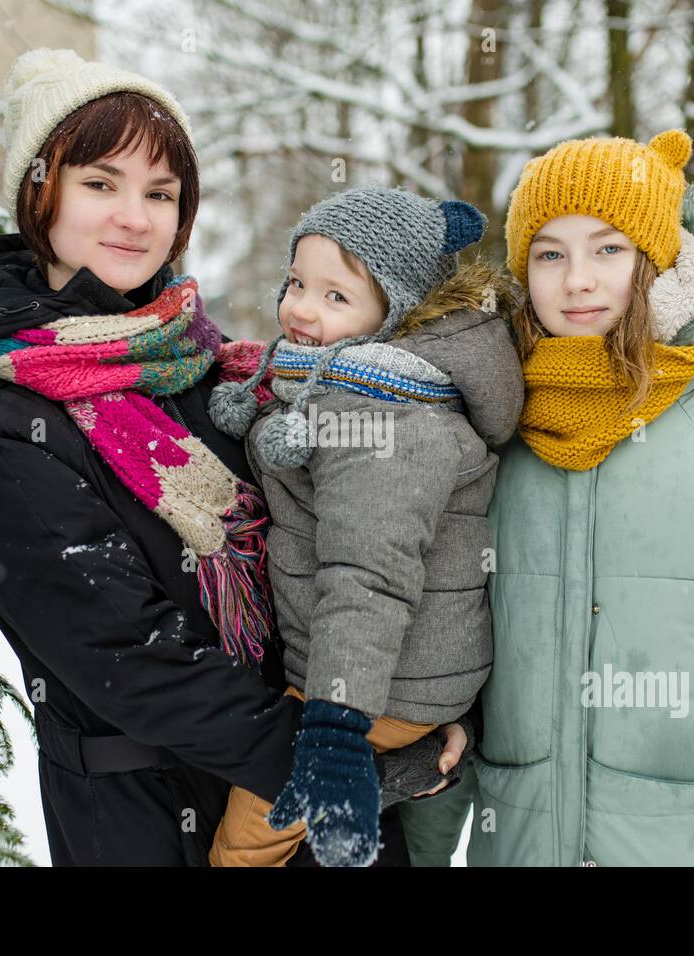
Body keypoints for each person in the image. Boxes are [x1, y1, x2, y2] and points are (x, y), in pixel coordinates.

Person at [0, 48, 465, 866]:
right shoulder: (11, 422)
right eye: (100, 183)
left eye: (160, 193)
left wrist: (418, 700)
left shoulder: (215, 369)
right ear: (41, 191)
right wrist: (362, 768)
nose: (136, 216)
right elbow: (133, 663)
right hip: (150, 817)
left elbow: (352, 545)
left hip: (307, 796)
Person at [398, 129, 694, 866]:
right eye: (549, 253)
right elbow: (443, 688)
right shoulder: (483, 450)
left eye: (609, 249)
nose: (578, 281)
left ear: (660, 262)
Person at [205, 186, 523, 866]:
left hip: (376, 687)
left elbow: (367, 578)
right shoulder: (362, 384)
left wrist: (334, 726)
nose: (300, 308)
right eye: (296, 283)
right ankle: (405, 769)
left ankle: (385, 765)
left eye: (335, 296)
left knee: (242, 850)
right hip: (396, 676)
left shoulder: (382, 419)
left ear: (396, 310)